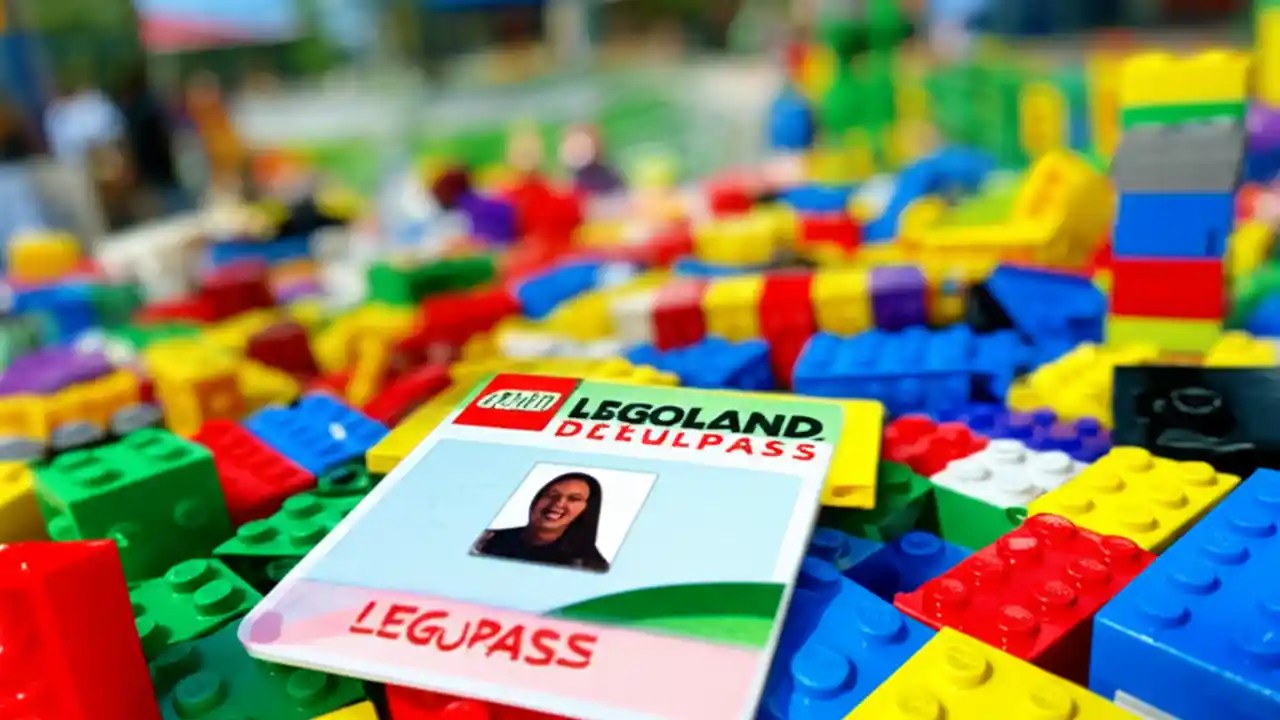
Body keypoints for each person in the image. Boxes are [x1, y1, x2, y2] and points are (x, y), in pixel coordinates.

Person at [473, 472, 610, 572]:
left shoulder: (589, 566)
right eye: (552, 495)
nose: (558, 503)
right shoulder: (485, 540)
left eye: (573, 499)